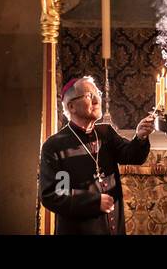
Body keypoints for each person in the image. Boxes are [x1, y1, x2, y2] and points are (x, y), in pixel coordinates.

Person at [38, 77, 155, 235]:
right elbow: (57, 193)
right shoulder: (57, 147)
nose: (96, 99)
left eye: (97, 93)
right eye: (88, 95)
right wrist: (93, 202)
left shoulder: (106, 133)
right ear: (71, 106)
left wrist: (140, 137)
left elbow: (133, 156)